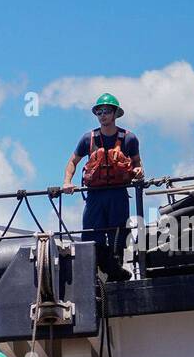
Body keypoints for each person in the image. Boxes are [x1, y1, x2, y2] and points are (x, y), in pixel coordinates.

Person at [61, 93, 143, 282]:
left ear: (115, 114)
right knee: (91, 235)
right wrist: (67, 182)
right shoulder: (87, 139)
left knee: (118, 235)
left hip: (118, 194)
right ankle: (101, 270)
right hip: (95, 195)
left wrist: (138, 171)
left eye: (106, 111)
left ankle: (116, 271)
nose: (102, 115)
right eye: (99, 111)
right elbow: (72, 162)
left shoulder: (129, 139)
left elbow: (138, 163)